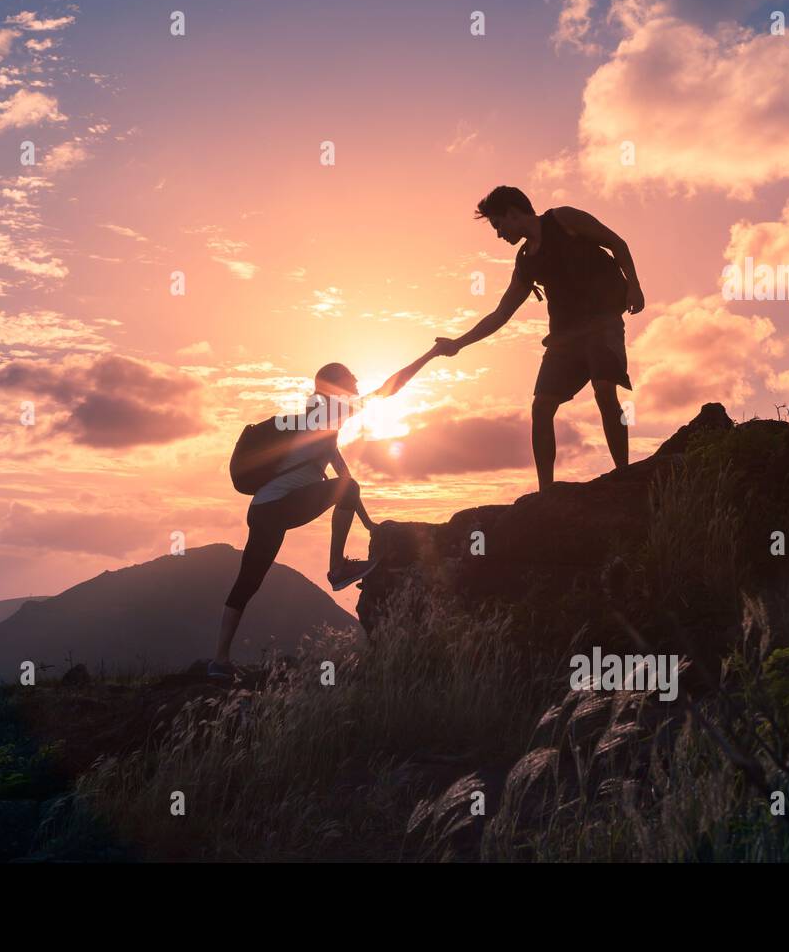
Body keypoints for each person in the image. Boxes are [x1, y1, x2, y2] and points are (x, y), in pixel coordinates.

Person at [210, 350, 436, 678]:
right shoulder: (329, 411)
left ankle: (219, 660)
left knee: (247, 583)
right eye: (351, 380)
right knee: (249, 581)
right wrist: (430, 354)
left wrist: (367, 521)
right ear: (336, 387)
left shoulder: (318, 421)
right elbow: (389, 390)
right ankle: (337, 568)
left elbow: (343, 478)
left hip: (264, 508)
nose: (358, 385)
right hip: (278, 507)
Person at [432, 186, 645, 491]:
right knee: (541, 407)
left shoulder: (564, 219)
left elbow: (616, 242)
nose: (498, 235)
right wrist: (457, 344)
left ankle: (623, 475)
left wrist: (634, 286)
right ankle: (546, 492)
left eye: (498, 225)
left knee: (604, 390)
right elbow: (500, 313)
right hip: (563, 339)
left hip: (602, 322)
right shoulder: (525, 261)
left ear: (513, 213)